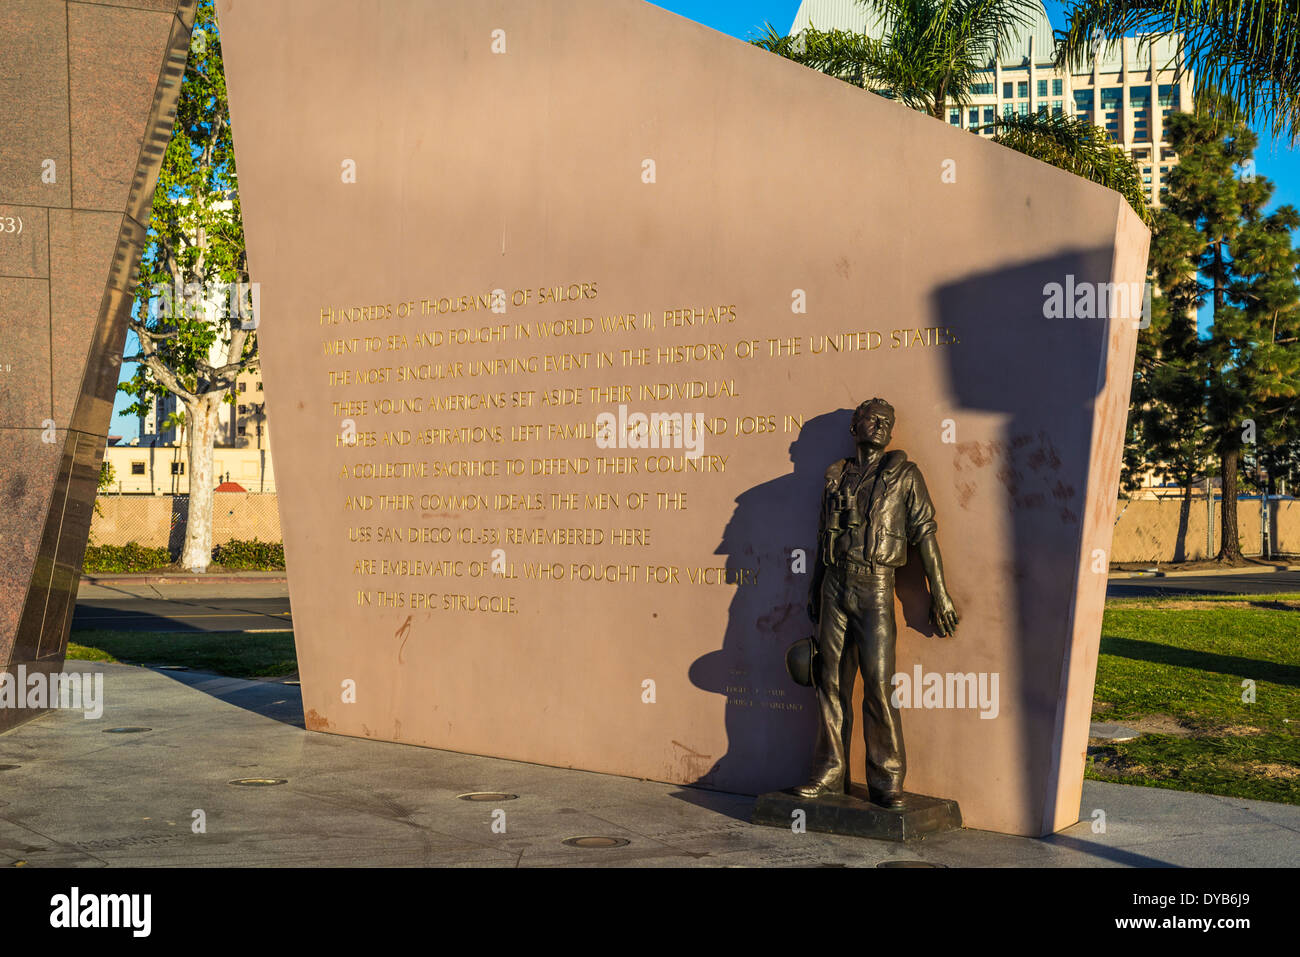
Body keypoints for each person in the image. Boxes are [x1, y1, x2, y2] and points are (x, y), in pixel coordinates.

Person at [798, 397, 959, 807]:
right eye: (873, 419)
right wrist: (816, 586)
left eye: (888, 421)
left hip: (876, 586)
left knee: (879, 686)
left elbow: (925, 533)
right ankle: (829, 771)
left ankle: (886, 780)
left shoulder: (906, 475)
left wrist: (938, 593)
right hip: (834, 585)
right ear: (856, 427)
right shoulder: (836, 477)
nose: (882, 425)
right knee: (829, 683)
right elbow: (823, 538)